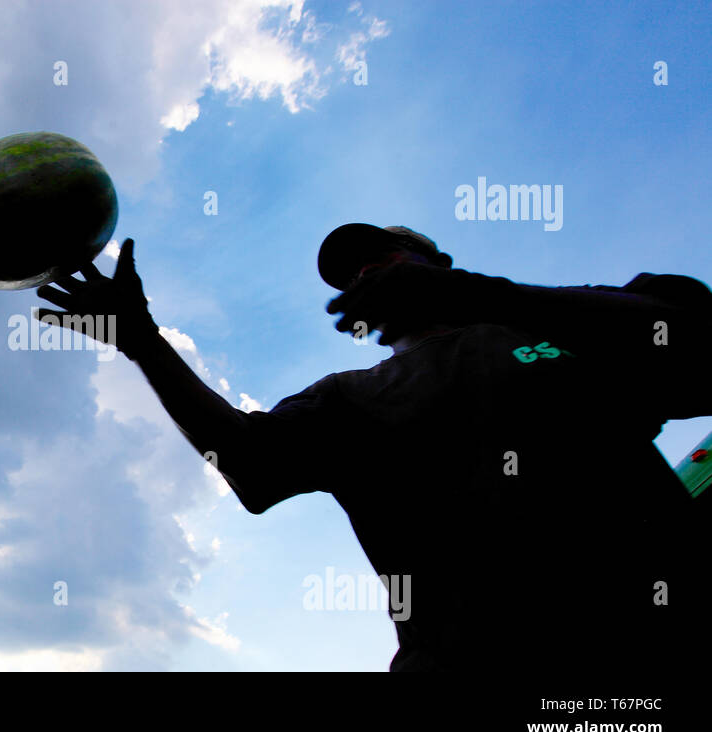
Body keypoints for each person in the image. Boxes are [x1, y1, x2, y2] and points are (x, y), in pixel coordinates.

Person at [37, 227, 707, 672]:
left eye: (386, 253)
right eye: (352, 272)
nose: (365, 268)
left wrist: (472, 292)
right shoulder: (347, 401)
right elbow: (247, 463)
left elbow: (693, 344)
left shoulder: (562, 331)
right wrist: (142, 341)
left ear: (434, 263)